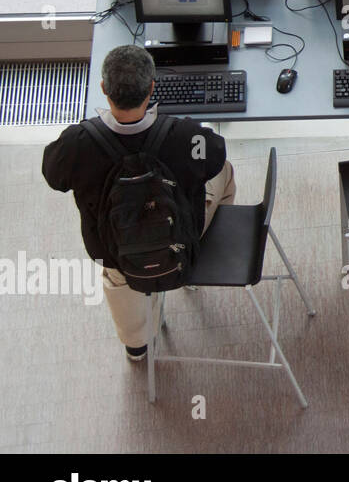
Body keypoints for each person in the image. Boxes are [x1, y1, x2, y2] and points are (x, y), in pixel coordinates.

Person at [42, 45, 235, 361]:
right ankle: (192, 257)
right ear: (152, 88)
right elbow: (216, 158)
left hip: (115, 249)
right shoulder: (186, 135)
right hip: (178, 237)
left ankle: (137, 344)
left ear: (104, 89)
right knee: (226, 172)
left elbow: (54, 177)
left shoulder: (76, 143)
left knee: (117, 272)